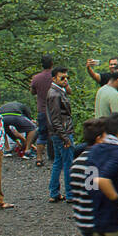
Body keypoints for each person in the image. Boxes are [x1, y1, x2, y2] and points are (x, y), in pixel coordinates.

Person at [70, 117, 110, 236]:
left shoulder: (77, 161)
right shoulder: (94, 161)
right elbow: (94, 190)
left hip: (81, 216)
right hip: (94, 218)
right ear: (99, 138)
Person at [46, 66, 75, 202]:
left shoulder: (57, 91)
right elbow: (55, 119)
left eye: (66, 78)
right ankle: (70, 194)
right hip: (62, 132)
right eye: (62, 78)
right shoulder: (55, 94)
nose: (65, 80)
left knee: (58, 162)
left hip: (58, 132)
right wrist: (65, 138)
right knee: (68, 163)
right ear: (54, 79)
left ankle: (54, 192)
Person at [29, 55, 54, 168]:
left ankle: (39, 158)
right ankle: (55, 156)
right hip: (55, 109)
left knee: (42, 134)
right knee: (56, 133)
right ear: (52, 63)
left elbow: (32, 92)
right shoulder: (56, 77)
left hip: (42, 110)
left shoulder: (36, 78)